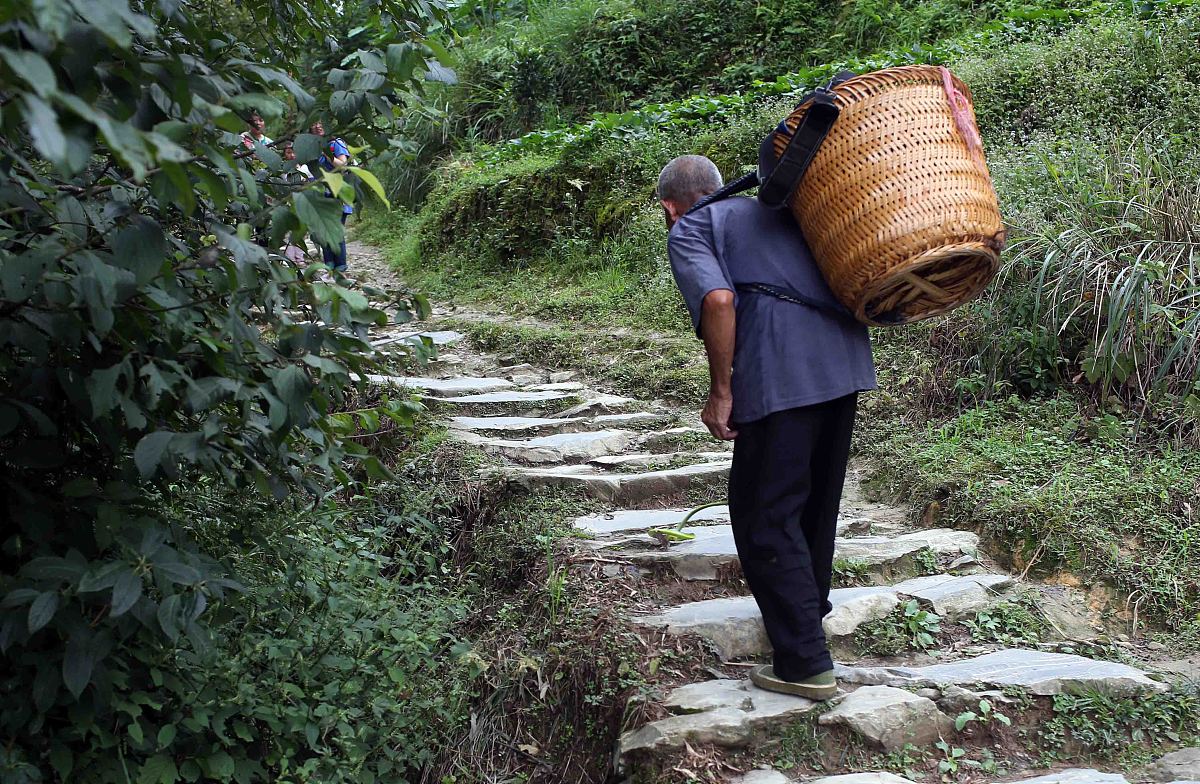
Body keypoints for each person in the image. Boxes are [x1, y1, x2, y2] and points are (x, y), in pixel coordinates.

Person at [658, 153, 876, 700]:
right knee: (814, 504)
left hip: (781, 374)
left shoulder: (691, 228)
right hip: (843, 365)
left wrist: (722, 391)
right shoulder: (773, 212)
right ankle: (803, 623)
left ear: (669, 207)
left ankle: (803, 663)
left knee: (763, 515)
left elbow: (719, 298)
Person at [313, 124, 353, 272]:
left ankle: (340, 266)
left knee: (336, 230)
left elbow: (343, 165)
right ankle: (328, 265)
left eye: (320, 123)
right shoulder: (312, 146)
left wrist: (327, 155)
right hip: (321, 195)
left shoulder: (336, 143)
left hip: (337, 194)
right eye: (314, 124)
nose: (317, 127)